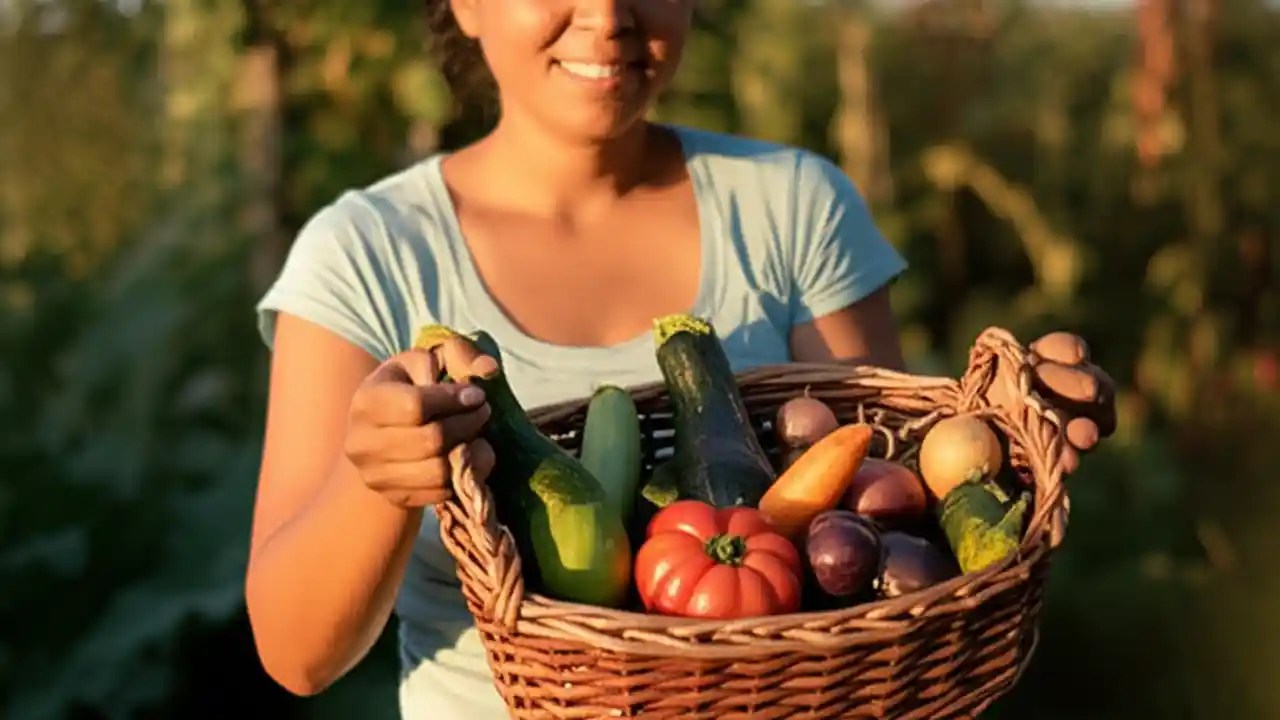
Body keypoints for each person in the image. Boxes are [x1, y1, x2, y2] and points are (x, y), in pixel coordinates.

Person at [243, 0, 1118, 718]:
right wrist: (378, 483)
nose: (609, 15)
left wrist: (999, 428)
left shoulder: (793, 208)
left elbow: (889, 522)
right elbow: (297, 658)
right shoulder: (364, 253)